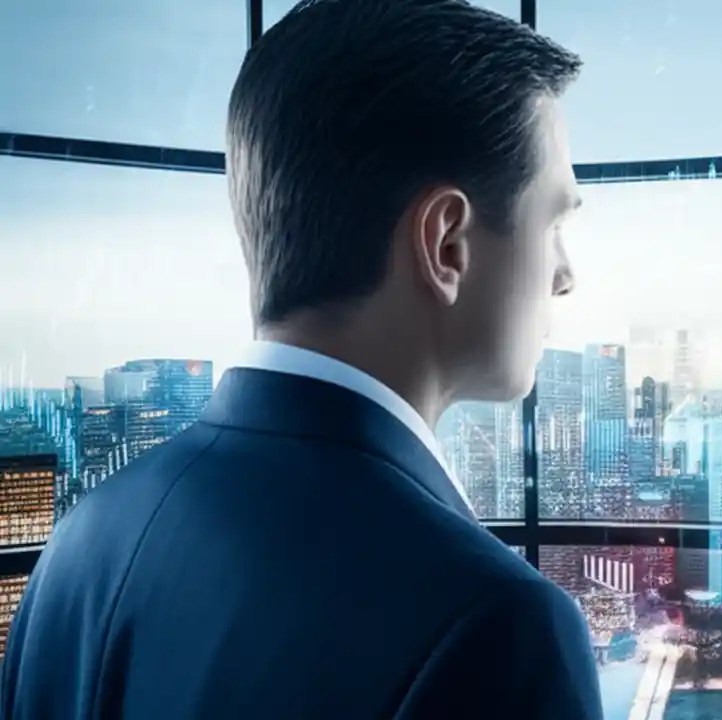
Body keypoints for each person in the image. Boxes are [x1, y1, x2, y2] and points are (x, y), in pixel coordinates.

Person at [0, 1, 600, 717]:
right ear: (447, 245)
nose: (566, 274)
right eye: (554, 221)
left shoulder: (84, 538)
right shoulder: (497, 624)